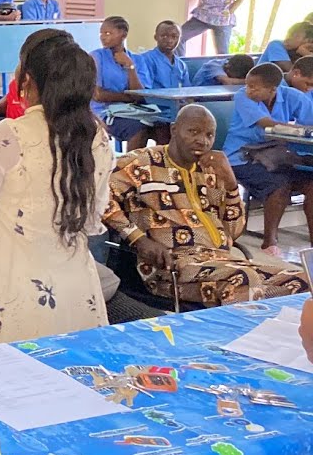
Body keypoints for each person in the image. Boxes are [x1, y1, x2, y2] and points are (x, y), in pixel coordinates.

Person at [0, 34, 114, 349]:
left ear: (27, 80)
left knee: (6, 385)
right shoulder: (98, 137)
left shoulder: (7, 136)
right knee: (68, 378)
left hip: (10, 286)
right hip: (75, 284)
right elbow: (91, 222)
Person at [106, 104, 309, 306]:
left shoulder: (211, 169)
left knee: (302, 280)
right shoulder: (141, 163)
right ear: (174, 130)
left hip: (222, 262)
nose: (202, 141)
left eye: (209, 135)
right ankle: (240, 336)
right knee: (244, 281)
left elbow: (233, 231)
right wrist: (138, 239)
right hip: (172, 269)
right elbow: (99, 200)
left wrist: (230, 185)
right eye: (193, 132)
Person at [222, 62, 313, 255]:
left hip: (276, 155)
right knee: (279, 184)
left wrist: (305, 130)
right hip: (241, 156)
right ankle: (270, 243)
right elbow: (267, 124)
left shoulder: (293, 96)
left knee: (311, 185)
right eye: (248, 85)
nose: (249, 90)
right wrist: (300, 131)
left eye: (254, 87)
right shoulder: (242, 97)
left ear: (272, 89)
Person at [0, 28, 74, 128]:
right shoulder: (17, 85)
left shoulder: (57, 106)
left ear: (27, 77)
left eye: (21, 61)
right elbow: (11, 98)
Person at [91, 16, 149, 149]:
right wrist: (129, 97)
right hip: (104, 113)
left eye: (108, 33)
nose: (103, 37)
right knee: (138, 129)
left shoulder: (137, 60)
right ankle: (130, 167)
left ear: (123, 34)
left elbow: (140, 96)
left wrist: (130, 67)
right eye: (101, 33)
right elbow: (98, 95)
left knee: (163, 127)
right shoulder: (96, 57)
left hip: (132, 111)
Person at [136, 20, 190, 91]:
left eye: (174, 37)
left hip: (177, 100)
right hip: (155, 101)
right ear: (156, 37)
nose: (169, 40)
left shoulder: (181, 65)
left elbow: (187, 91)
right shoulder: (145, 59)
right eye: (164, 36)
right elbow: (145, 91)